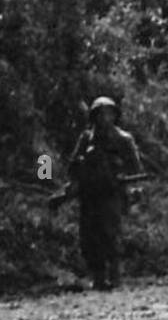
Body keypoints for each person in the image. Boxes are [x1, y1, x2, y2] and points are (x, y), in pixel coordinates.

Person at [55, 96, 143, 290]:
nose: (105, 118)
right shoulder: (86, 139)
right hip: (90, 194)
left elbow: (135, 169)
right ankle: (98, 277)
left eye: (109, 113)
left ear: (115, 116)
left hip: (112, 193)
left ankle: (115, 275)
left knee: (110, 235)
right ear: (94, 117)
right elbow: (73, 167)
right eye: (101, 114)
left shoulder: (123, 139)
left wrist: (133, 190)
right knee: (89, 237)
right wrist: (76, 178)